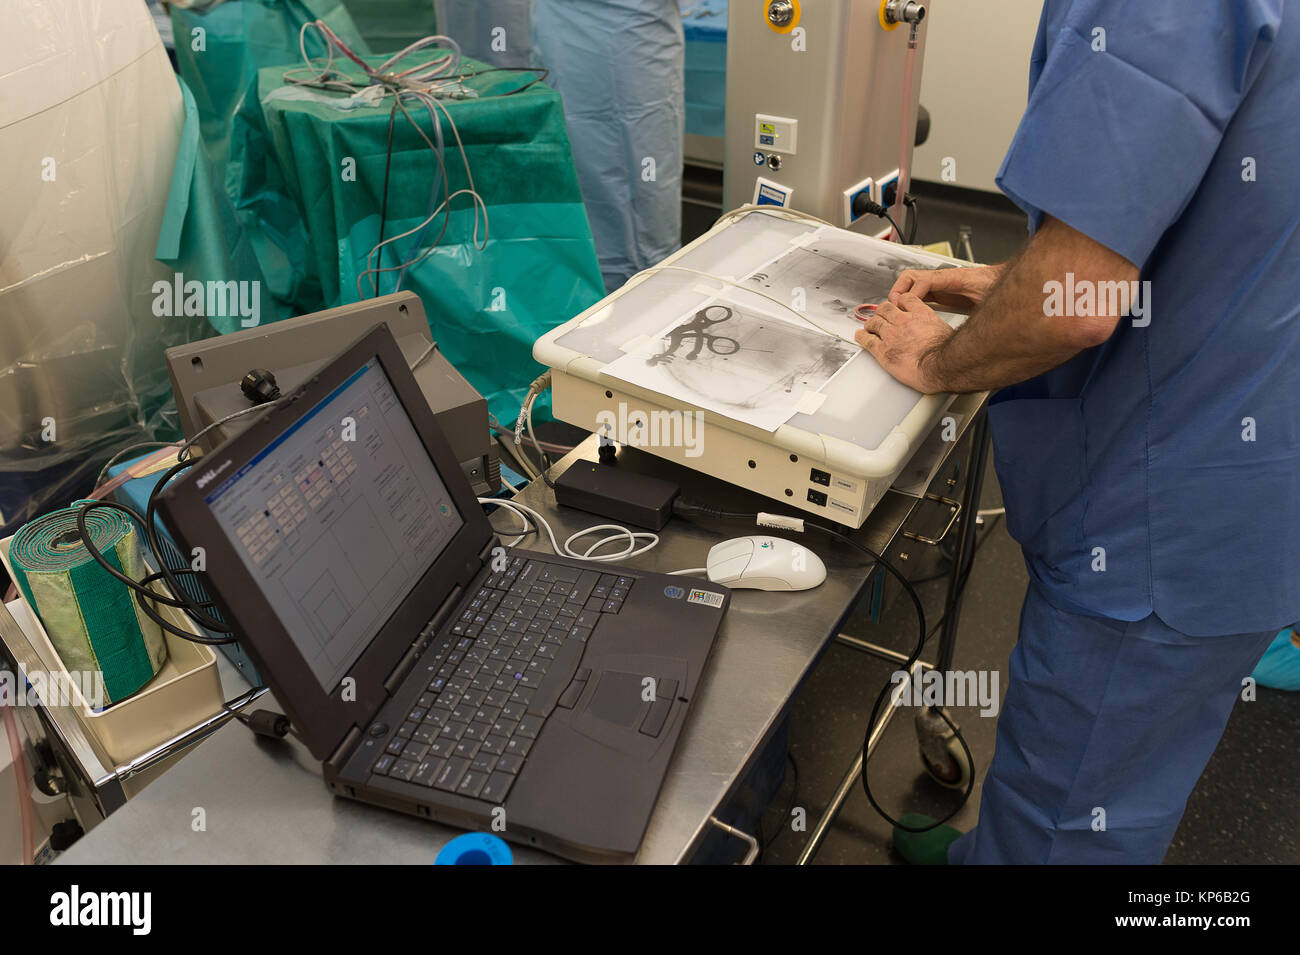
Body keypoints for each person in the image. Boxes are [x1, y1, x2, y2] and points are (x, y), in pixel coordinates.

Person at [858, 0, 1299, 864]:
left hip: (1166, 519)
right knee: (1129, 771)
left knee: (1076, 817)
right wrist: (1015, 282)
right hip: (1256, 478)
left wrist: (940, 364)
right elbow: (1213, 215)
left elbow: (1083, 302)